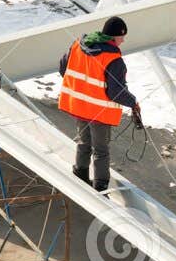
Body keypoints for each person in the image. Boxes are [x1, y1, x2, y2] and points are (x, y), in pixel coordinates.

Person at [58, 16, 141, 193]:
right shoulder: (113, 59)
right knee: (101, 150)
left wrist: (81, 88)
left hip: (80, 106)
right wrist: (133, 102)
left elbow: (63, 68)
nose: (123, 40)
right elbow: (115, 92)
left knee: (83, 142)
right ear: (113, 37)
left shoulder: (79, 45)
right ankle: (101, 187)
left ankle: (80, 175)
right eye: (121, 37)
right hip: (98, 112)